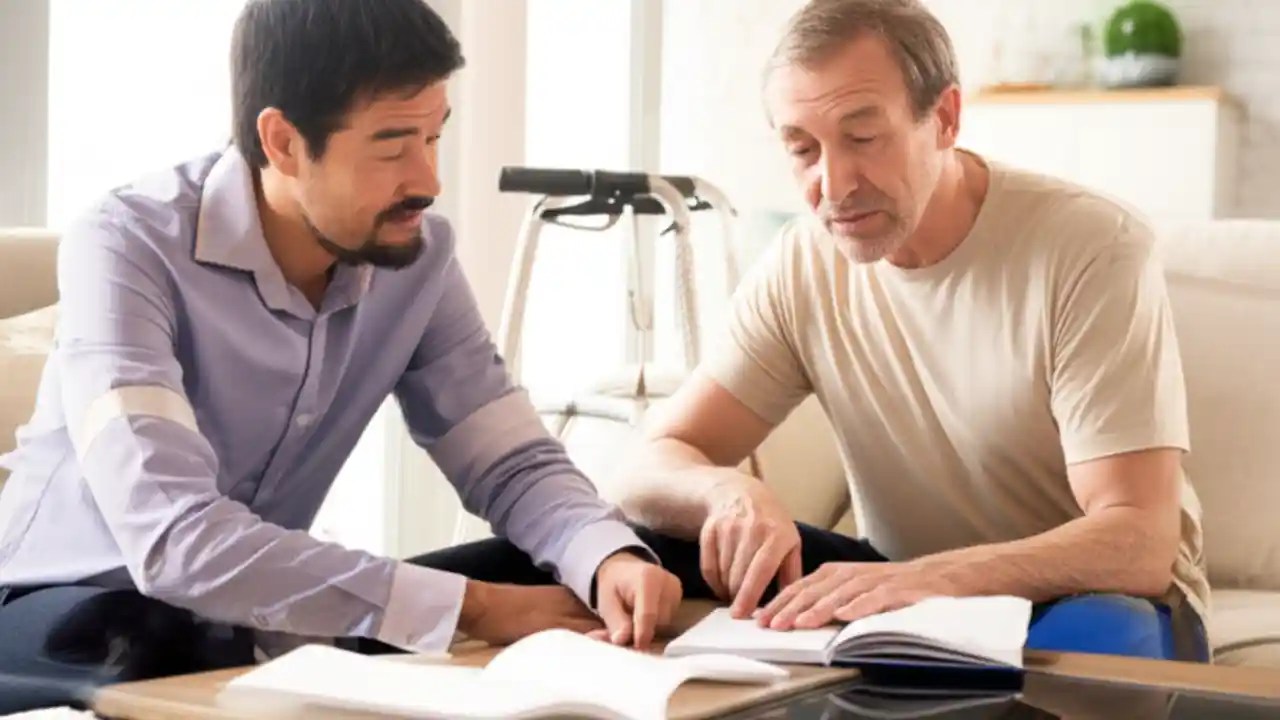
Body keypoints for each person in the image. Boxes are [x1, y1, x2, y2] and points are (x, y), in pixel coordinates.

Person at [433, 0, 1212, 663]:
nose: (832, 185)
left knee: (1092, 640)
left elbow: (1138, 542)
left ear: (943, 118)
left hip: (1094, 602)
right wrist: (726, 493)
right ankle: (367, 618)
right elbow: (648, 465)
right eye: (802, 149)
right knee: (624, 543)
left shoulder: (1089, 247)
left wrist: (929, 581)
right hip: (889, 582)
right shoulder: (805, 261)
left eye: (862, 137)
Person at [0, 0, 680, 713]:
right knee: (155, 630)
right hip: (66, 610)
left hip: (249, 617)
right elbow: (176, 540)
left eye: (434, 136)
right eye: (392, 146)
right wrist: (476, 609)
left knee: (621, 556)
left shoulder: (418, 256)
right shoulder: (127, 246)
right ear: (284, 141)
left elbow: (508, 461)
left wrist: (608, 558)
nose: (428, 179)